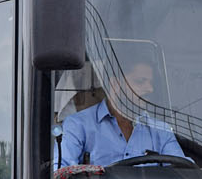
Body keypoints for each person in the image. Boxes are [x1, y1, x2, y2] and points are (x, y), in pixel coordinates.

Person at [57, 57, 187, 167]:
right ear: (115, 84)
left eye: (151, 83)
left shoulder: (161, 130)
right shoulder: (78, 125)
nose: (150, 89)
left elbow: (183, 173)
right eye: (140, 81)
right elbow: (61, 173)